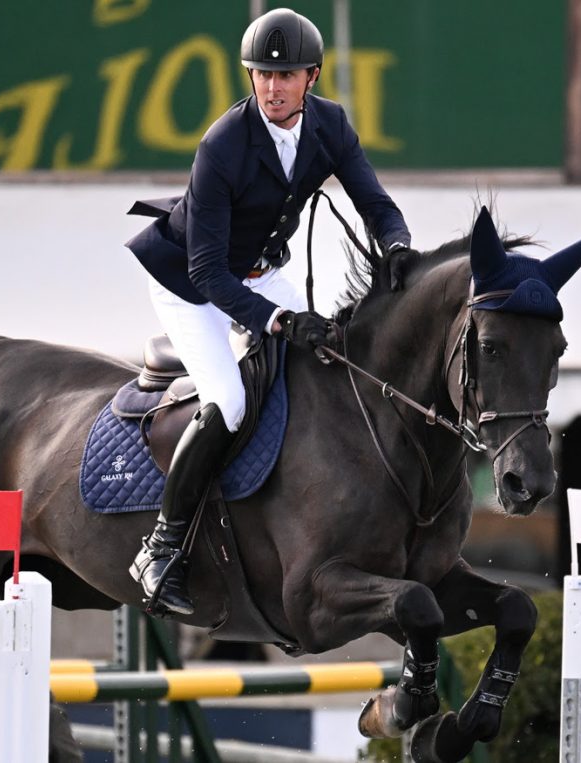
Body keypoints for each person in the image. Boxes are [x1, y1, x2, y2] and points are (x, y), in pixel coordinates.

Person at [124, 7, 412, 616]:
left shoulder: (330, 125)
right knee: (228, 401)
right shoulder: (224, 145)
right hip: (190, 285)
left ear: (312, 77)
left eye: (286, 76)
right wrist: (276, 321)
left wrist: (398, 248)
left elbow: (376, 203)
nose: (272, 88)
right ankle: (161, 548)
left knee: (327, 359)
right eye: (261, 75)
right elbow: (207, 273)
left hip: (261, 272)